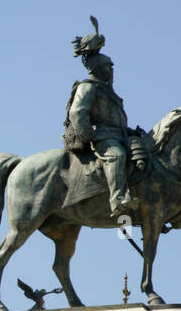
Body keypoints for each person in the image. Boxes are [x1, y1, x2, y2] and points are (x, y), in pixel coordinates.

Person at [62, 17, 146, 219]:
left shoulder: (108, 90)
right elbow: (77, 112)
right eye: (108, 66)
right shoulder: (88, 87)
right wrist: (88, 134)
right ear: (99, 67)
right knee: (117, 155)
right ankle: (117, 199)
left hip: (119, 135)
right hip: (102, 137)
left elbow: (114, 118)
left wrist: (129, 131)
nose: (111, 70)